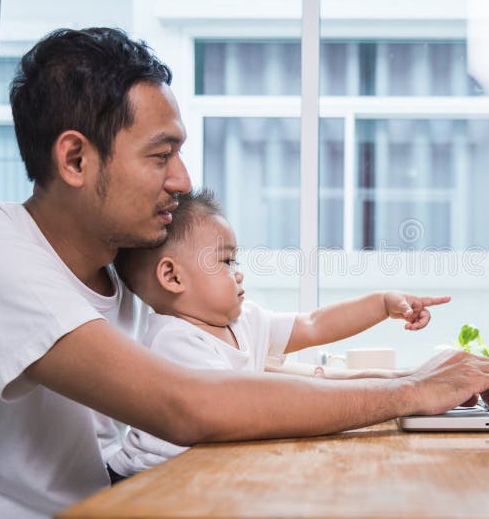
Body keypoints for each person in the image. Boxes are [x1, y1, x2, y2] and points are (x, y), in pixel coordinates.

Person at [0, 27, 489, 519]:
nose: (182, 180)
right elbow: (188, 404)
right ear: (75, 160)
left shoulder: (120, 277)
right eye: (160, 154)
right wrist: (411, 391)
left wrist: (411, 381)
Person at [107, 188, 451, 478]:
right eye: (226, 262)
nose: (238, 274)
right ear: (173, 277)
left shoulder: (244, 321)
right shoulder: (174, 341)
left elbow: (313, 324)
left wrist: (381, 304)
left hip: (202, 470)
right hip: (148, 480)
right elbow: (234, 411)